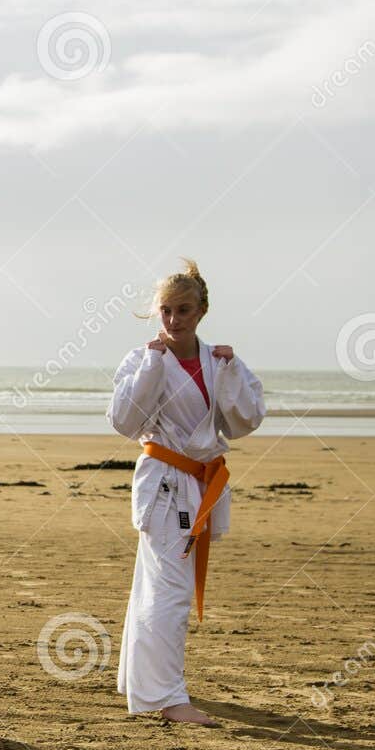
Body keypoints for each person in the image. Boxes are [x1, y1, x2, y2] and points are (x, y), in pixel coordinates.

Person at [107, 259, 264, 726]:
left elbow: (245, 422)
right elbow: (124, 422)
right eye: (165, 310)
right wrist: (153, 367)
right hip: (164, 483)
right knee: (169, 592)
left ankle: (136, 681)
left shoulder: (220, 361)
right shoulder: (142, 360)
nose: (173, 320)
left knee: (151, 587)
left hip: (200, 481)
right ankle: (165, 698)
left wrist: (232, 371)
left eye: (183, 310)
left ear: (202, 310)